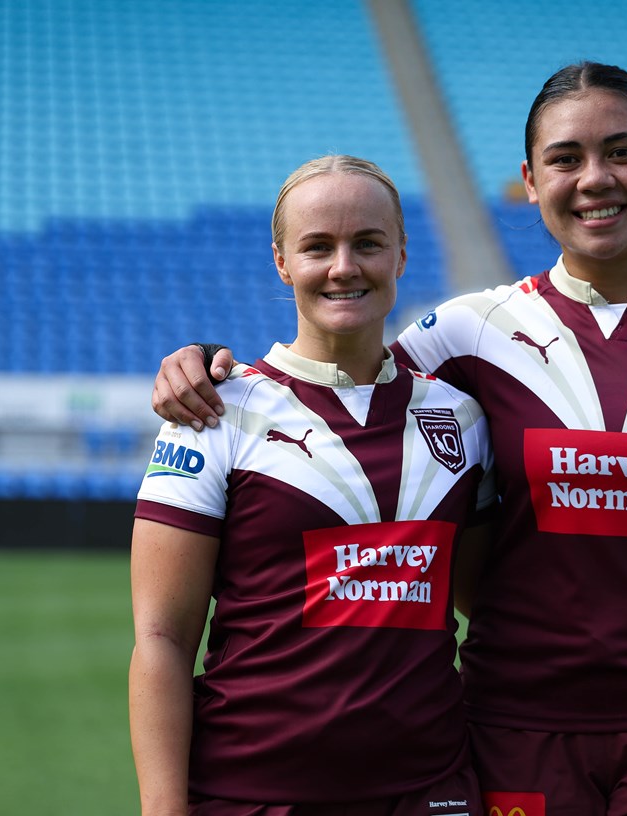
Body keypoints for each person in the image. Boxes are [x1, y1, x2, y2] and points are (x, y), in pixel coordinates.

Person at [151, 63, 627, 816]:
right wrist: (206, 365)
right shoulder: (466, 332)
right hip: (510, 727)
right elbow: (335, 377)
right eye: (565, 159)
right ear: (531, 181)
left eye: (621, 152)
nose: (595, 178)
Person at [129, 155, 495, 816]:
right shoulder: (213, 411)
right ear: (281, 262)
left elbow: (483, 600)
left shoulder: (461, 418)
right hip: (254, 794)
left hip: (431, 794)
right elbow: (161, 638)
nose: (343, 267)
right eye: (317, 247)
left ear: (402, 255)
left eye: (368, 243)